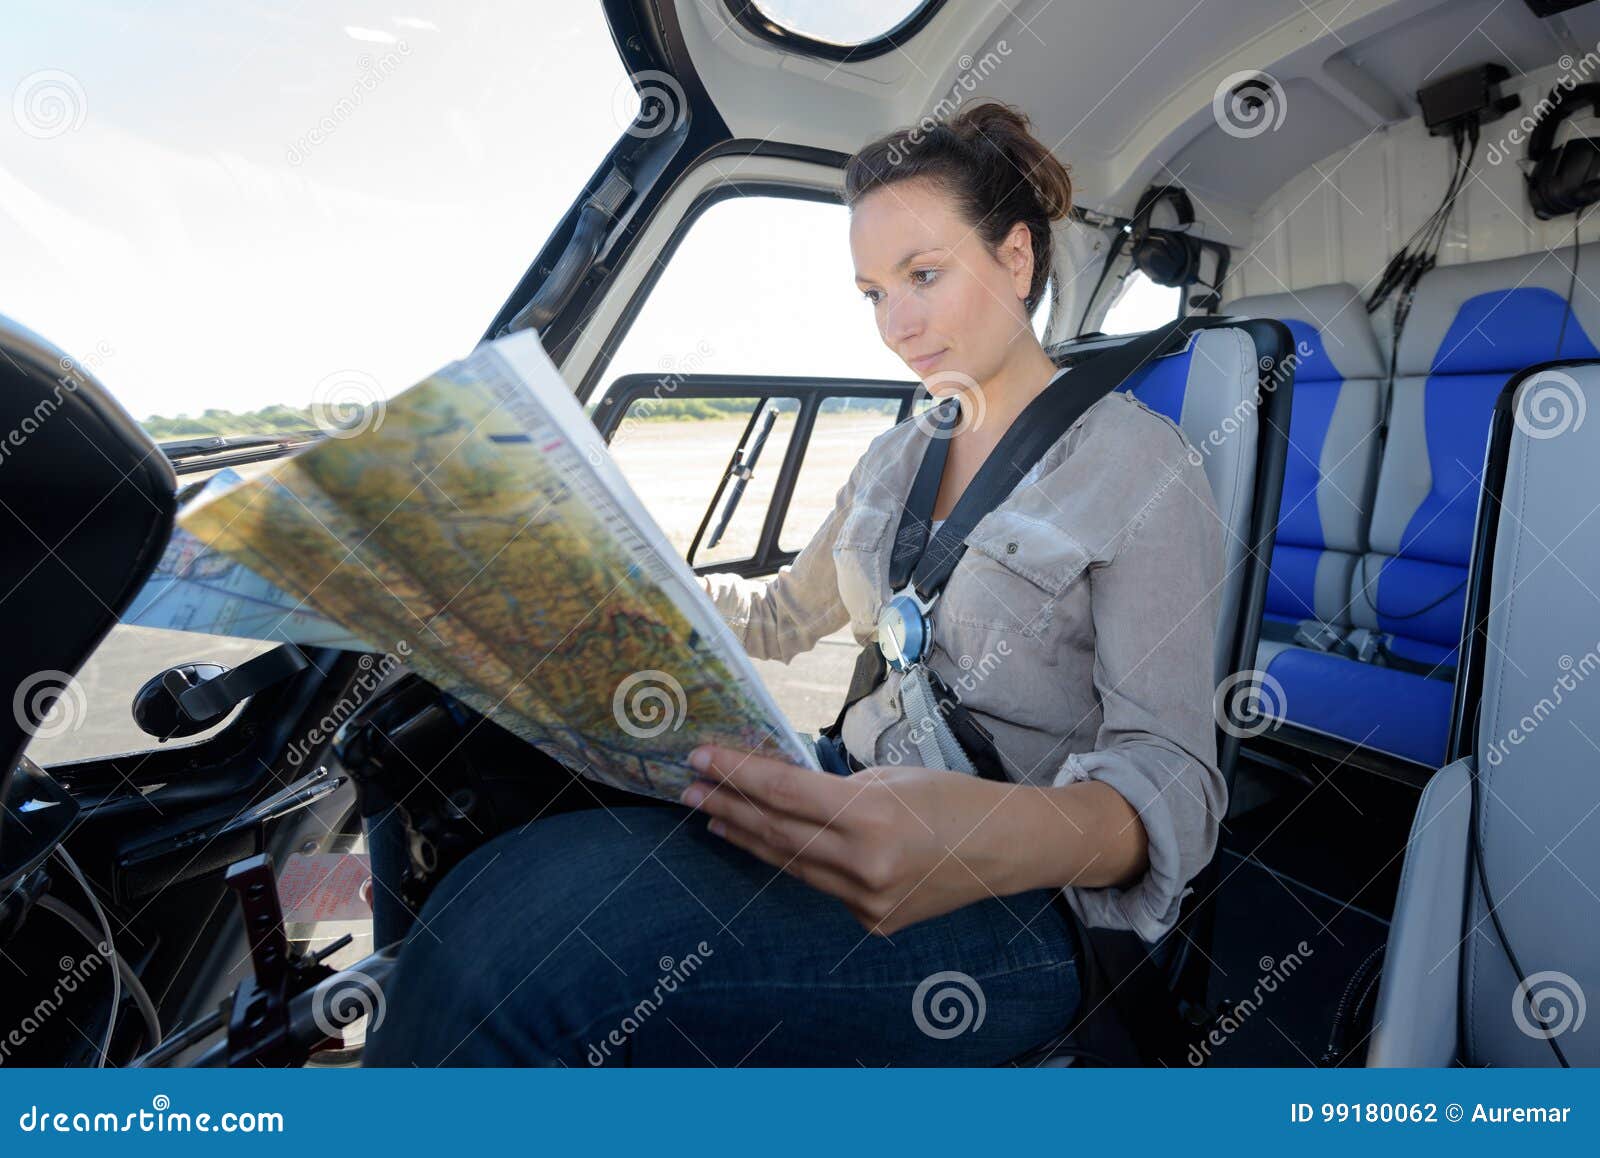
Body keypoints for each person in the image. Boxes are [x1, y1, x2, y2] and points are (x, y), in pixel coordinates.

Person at [363, 101, 1225, 1067]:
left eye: (924, 277)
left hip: (1022, 907)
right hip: (844, 787)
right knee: (495, 833)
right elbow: (776, 617)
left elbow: (1172, 782)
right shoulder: (895, 459)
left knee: (523, 967)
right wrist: (598, 596)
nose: (896, 326)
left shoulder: (1143, 468)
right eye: (872, 293)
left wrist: (972, 831)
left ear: (1017, 260)